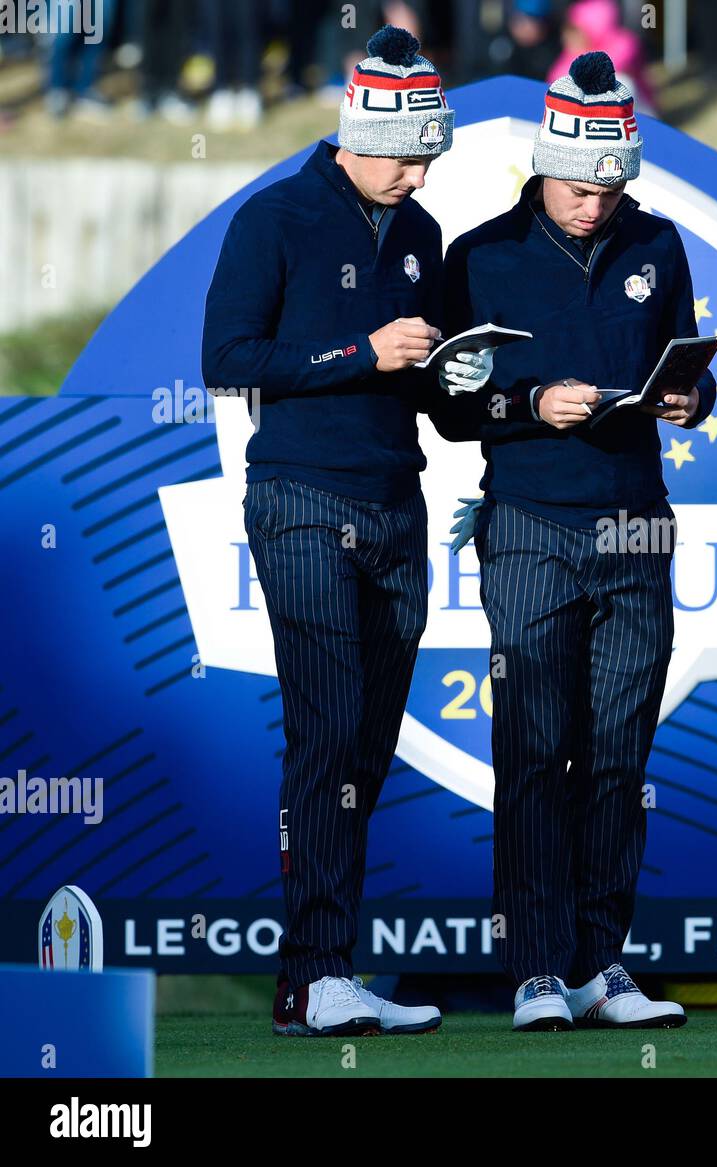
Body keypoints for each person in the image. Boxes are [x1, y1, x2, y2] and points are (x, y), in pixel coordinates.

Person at [436, 51, 717, 1032]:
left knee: (616, 757)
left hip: (636, 524)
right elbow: (448, 405)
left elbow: (689, 372)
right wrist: (527, 403)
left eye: (610, 188)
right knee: (532, 749)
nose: (596, 204)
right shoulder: (480, 255)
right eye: (578, 187)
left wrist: (688, 398)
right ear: (544, 166)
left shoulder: (658, 243)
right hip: (527, 525)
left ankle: (600, 962)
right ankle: (535, 970)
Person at [201, 26, 459, 1038]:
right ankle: (315, 973)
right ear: (357, 135)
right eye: (405, 155)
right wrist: (363, 350)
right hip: (301, 499)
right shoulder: (274, 216)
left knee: (367, 745)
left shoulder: (422, 231)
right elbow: (228, 357)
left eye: (428, 156)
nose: (418, 173)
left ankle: (321, 974)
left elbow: (419, 384)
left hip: (398, 501)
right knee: (328, 728)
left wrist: (455, 371)